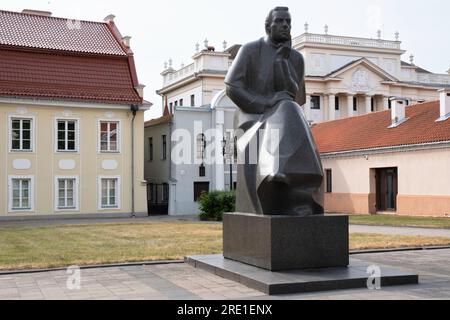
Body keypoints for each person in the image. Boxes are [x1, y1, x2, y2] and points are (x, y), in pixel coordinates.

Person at [225, 6, 324, 216]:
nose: (285, 26)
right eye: (280, 21)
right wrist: (265, 102)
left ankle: (287, 179)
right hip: (251, 116)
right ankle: (279, 173)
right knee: (285, 109)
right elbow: (232, 86)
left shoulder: (296, 58)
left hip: (283, 113)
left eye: (288, 22)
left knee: (288, 108)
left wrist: (282, 63)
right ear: (267, 26)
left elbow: (296, 97)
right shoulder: (251, 50)